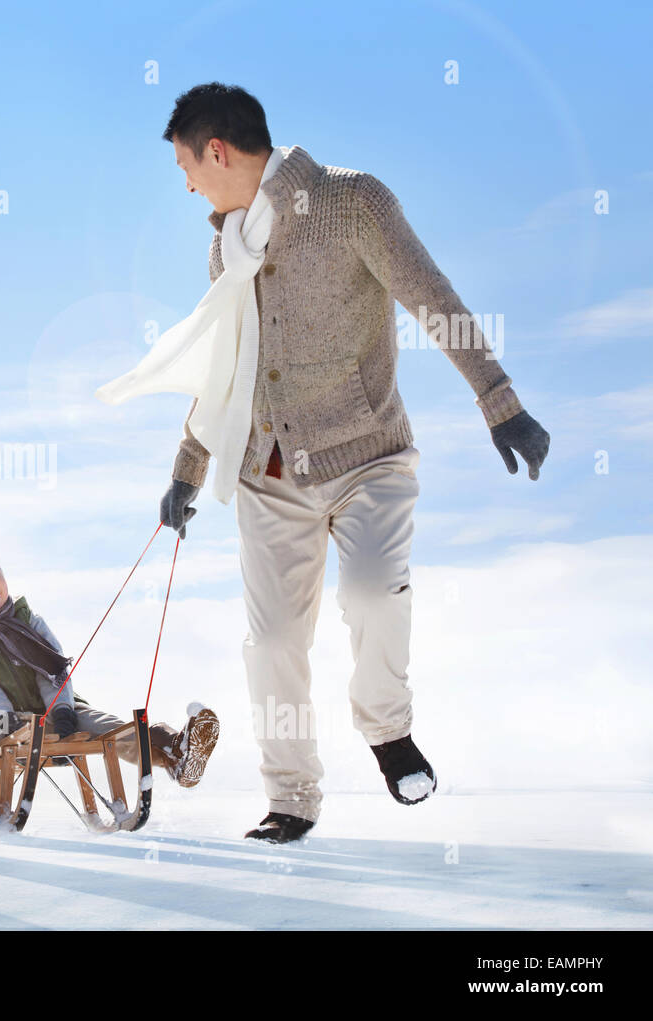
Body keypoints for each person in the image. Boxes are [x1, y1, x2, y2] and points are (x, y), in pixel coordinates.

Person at [100, 84, 550, 843]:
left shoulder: (350, 202)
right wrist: (187, 468)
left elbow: (430, 295)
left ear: (218, 150)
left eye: (185, 165)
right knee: (274, 642)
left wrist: (499, 401)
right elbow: (226, 368)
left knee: (373, 593)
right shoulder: (226, 246)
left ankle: (388, 732)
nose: (186, 185)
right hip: (267, 471)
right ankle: (291, 796)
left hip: (367, 453)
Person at [0, 537, 221, 814]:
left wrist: (62, 710)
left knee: (107, 726)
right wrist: (4, 714)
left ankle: (175, 751)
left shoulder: (29, 622)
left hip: (52, 709)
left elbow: (53, 670)